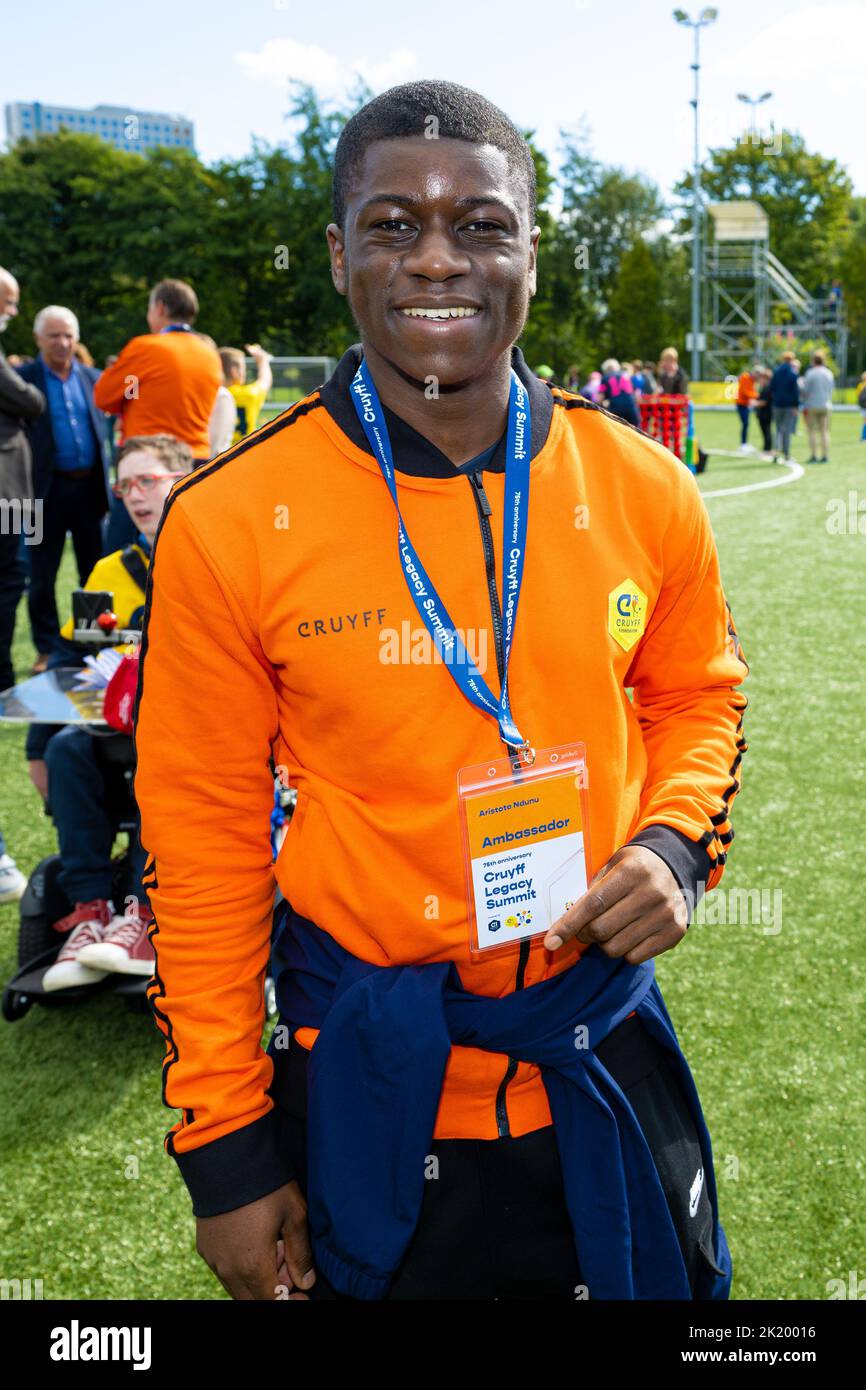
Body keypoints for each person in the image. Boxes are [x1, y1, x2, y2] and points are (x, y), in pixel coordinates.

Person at [134, 79, 748, 1304]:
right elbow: (196, 851)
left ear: (530, 245)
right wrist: (223, 1147)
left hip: (600, 1056)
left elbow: (697, 698)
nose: (436, 260)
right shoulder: (227, 523)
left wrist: (676, 845)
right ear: (336, 252)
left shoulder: (645, 486)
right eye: (391, 224)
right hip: (370, 1081)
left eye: (479, 224)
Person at [30, 435, 193, 989]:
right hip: (117, 736)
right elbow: (71, 664)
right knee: (65, 748)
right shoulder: (107, 574)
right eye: (125, 486)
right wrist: (34, 750)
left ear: (183, 477)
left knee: (159, 752)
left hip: (199, 743)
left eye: (148, 480)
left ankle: (145, 913)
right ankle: (92, 910)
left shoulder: (219, 557)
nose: (135, 495)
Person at [16, 306, 111, 672]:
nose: (63, 342)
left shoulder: (92, 378)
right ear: (39, 339)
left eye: (69, 335)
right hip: (42, 494)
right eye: (54, 335)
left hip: (88, 490)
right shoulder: (21, 379)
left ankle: (94, 643)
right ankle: (46, 647)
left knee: (95, 571)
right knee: (41, 573)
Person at [93, 279, 221, 466]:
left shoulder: (145, 347)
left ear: (160, 308)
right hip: (197, 457)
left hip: (150, 459)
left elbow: (103, 398)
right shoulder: (210, 354)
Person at [0, 267, 46, 694]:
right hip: (6, 495)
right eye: (9, 301)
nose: (12, 311)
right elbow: (27, 399)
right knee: (10, 574)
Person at [219, 344, 273, 443]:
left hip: (217, 455)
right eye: (244, 368)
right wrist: (262, 361)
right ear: (234, 372)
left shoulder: (213, 394)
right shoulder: (248, 394)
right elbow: (265, 381)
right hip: (243, 451)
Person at [799, 351, 834, 464]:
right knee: (824, 432)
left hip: (812, 406)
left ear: (813, 361)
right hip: (826, 405)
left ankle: (814, 456)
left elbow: (806, 391)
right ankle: (825, 456)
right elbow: (831, 389)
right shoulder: (829, 373)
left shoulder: (810, 373)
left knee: (812, 432)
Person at [768, 351, 800, 462]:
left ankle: (775, 453)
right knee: (786, 430)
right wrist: (796, 406)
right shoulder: (792, 373)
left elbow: (771, 388)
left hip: (777, 404)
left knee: (777, 430)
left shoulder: (776, 371)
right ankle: (786, 454)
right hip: (788, 406)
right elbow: (795, 391)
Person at [600, 357, 640, 425]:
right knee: (636, 431)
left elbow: (600, 398)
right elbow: (636, 392)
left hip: (615, 408)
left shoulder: (605, 378)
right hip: (631, 407)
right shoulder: (626, 375)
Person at [735, 365, 759, 451]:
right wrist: (757, 396)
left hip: (745, 404)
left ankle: (744, 443)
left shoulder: (751, 380)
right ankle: (743, 444)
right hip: (741, 403)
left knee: (746, 424)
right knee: (745, 423)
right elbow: (745, 392)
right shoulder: (746, 378)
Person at [755, 367, 774, 456]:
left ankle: (768, 449)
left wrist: (755, 403)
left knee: (767, 431)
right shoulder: (764, 388)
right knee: (765, 431)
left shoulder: (767, 388)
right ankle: (766, 448)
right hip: (763, 413)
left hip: (766, 413)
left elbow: (764, 402)